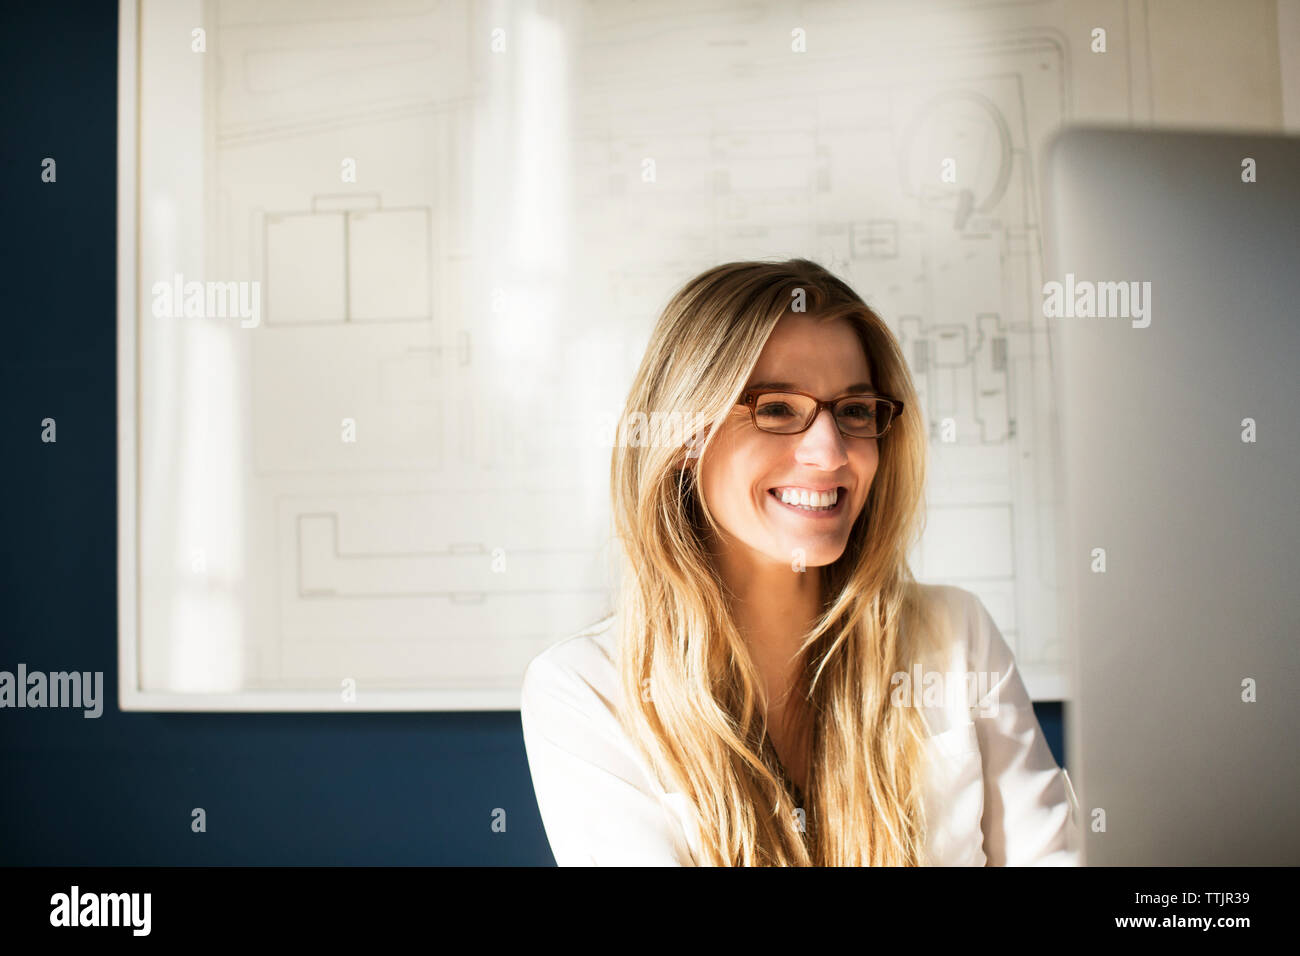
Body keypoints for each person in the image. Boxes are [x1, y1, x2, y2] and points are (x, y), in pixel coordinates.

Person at [520, 258, 1078, 865]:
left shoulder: (954, 633)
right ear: (685, 436)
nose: (830, 451)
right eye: (778, 408)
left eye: (855, 412)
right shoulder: (585, 691)